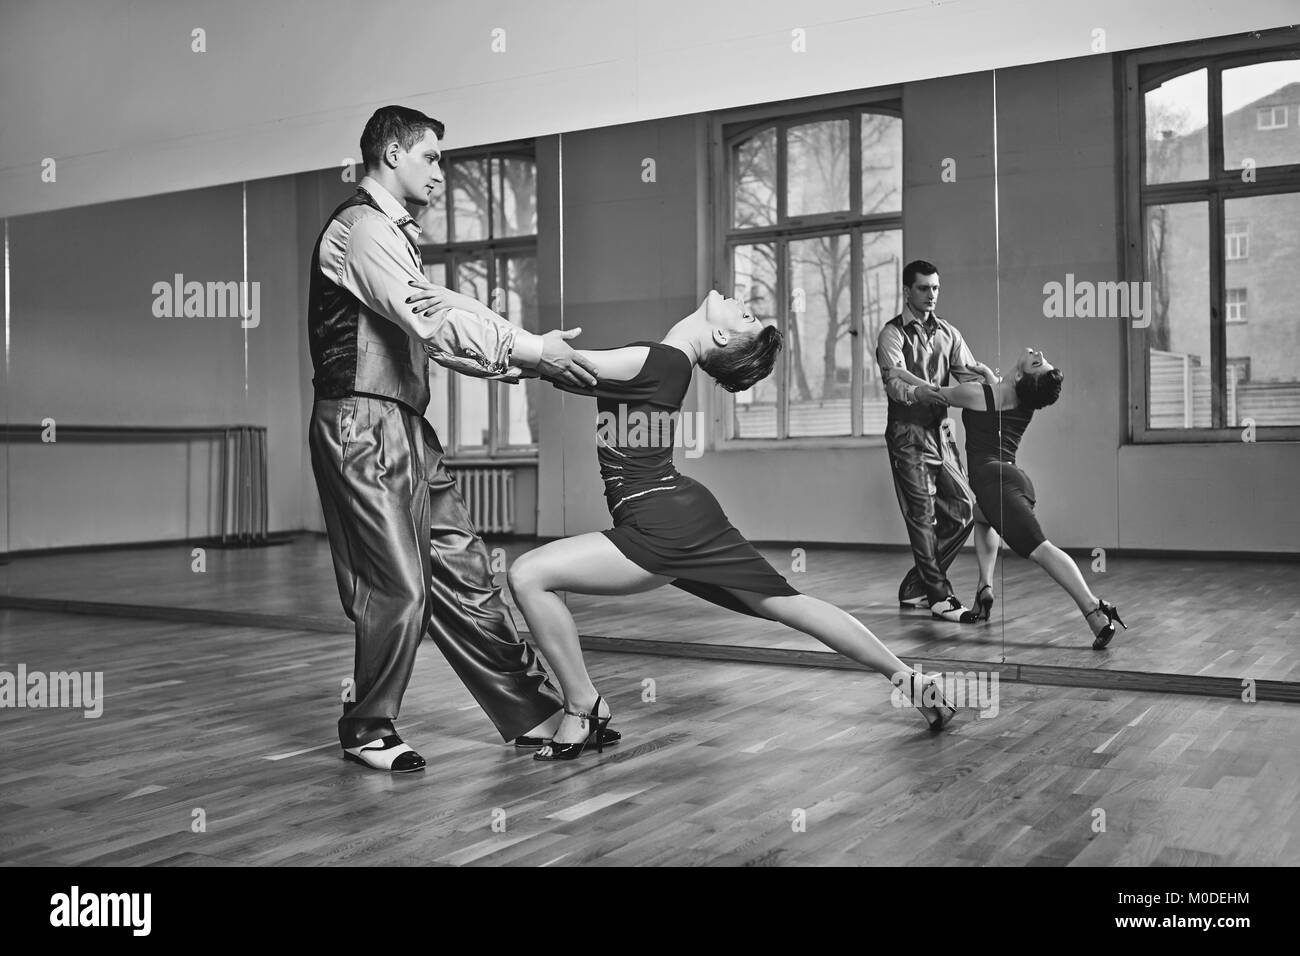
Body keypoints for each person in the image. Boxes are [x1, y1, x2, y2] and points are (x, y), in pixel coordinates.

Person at [411, 289, 960, 760]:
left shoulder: (658, 358)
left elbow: (534, 354)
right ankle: (913, 682)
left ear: (720, 339)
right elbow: (533, 363)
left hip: (660, 522)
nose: (743, 306)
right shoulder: (661, 363)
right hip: (680, 512)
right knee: (791, 605)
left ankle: (583, 705)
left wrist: (455, 308)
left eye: (746, 319)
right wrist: (491, 346)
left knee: (529, 575)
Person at [306, 105, 600, 773]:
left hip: (406, 424)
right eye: (432, 157)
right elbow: (431, 323)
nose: (442, 172)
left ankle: (529, 713)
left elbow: (443, 312)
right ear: (391, 155)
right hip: (359, 425)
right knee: (399, 584)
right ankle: (367, 725)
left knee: (467, 576)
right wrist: (531, 350)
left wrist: (532, 354)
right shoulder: (359, 231)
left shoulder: (392, 237)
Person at [883, 348, 1128, 648]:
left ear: (1023, 375)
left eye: (1038, 361)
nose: (1038, 352)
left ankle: (1094, 610)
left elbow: (935, 393)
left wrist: (901, 374)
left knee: (1041, 549)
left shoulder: (978, 394)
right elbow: (1003, 392)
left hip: (995, 483)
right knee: (982, 517)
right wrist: (990, 376)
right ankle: (985, 586)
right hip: (1010, 480)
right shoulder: (1022, 399)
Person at [875, 260, 986, 622]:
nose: (931, 295)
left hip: (941, 433)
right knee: (922, 517)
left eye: (936, 288)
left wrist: (990, 380)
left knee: (966, 508)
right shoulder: (891, 335)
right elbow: (895, 384)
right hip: (908, 433)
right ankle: (939, 596)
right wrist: (929, 394)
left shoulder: (949, 333)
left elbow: (969, 376)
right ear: (907, 291)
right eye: (924, 288)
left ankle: (915, 587)